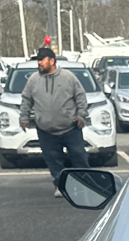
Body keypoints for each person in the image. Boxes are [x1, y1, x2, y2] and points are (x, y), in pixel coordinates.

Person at [18, 47, 89, 195]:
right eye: (38, 60)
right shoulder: (33, 80)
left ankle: (85, 186)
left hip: (70, 128)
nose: (39, 63)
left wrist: (81, 116)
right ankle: (60, 186)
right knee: (53, 161)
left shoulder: (68, 77)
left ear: (52, 61)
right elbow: (26, 100)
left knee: (79, 157)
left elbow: (81, 97)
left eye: (42, 60)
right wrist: (24, 118)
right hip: (46, 130)